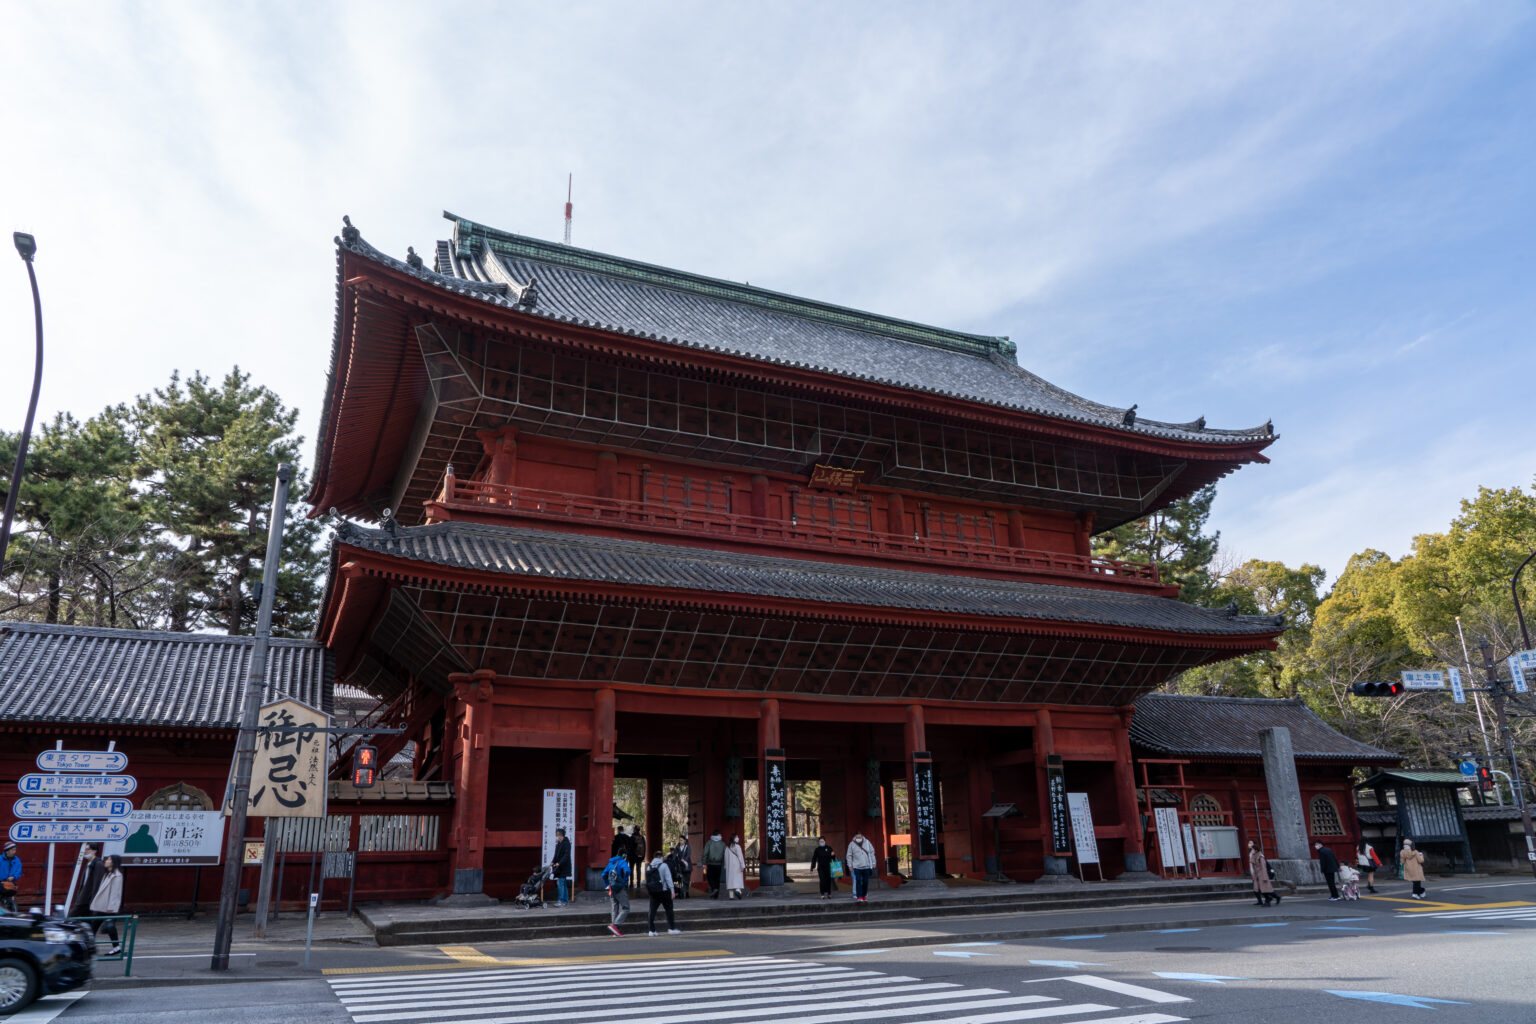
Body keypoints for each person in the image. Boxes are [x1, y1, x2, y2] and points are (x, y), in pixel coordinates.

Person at [89, 855, 124, 955]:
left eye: (109, 859)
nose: (106, 861)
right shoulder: (108, 873)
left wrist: (111, 908)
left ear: (113, 862)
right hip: (103, 906)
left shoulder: (117, 876)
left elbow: (115, 894)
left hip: (108, 908)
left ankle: (90, 948)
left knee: (107, 927)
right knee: (98, 927)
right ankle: (116, 947)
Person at [644, 850, 681, 936]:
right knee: (669, 909)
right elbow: (668, 879)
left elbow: (647, 880)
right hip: (664, 891)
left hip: (653, 892)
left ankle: (651, 930)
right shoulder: (664, 865)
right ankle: (671, 928)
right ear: (661, 857)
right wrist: (672, 891)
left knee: (652, 911)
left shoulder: (649, 866)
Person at [70, 844, 105, 919]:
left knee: (71, 916)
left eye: (87, 849)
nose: (84, 851)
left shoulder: (98, 864)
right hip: (83, 897)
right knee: (86, 920)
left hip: (88, 899)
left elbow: (97, 883)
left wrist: (93, 899)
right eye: (84, 849)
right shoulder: (88, 864)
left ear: (94, 851)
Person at [603, 850, 631, 936]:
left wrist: (607, 884)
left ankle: (615, 931)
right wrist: (624, 881)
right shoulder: (622, 862)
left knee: (614, 908)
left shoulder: (611, 863)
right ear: (624, 855)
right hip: (620, 888)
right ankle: (615, 925)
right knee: (626, 907)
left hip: (612, 888)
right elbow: (627, 871)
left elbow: (603, 875)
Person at [845, 829, 877, 903]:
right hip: (856, 866)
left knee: (865, 882)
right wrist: (850, 865)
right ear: (855, 836)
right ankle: (859, 896)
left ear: (862, 836)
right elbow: (849, 855)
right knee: (858, 881)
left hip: (866, 865)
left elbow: (872, 852)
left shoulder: (867, 842)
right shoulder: (851, 844)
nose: (859, 837)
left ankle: (864, 895)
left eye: (860, 836)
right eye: (857, 836)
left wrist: (873, 862)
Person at [1248, 839, 1278, 907]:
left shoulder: (1260, 857)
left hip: (1262, 875)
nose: (1249, 844)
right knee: (1258, 889)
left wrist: (1264, 877)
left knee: (1264, 890)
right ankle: (1264, 900)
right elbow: (1253, 867)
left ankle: (1270, 900)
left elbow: (1264, 867)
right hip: (1256, 875)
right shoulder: (1253, 856)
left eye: (1250, 843)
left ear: (1255, 850)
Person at [549, 827, 572, 907]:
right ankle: (565, 901)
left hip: (564, 866)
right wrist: (553, 861)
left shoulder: (567, 843)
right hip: (559, 866)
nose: (557, 837)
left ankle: (561, 900)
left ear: (561, 835)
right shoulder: (558, 843)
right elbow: (556, 855)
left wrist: (559, 863)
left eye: (557, 835)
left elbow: (566, 855)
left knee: (560, 883)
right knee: (563, 883)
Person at [702, 829, 726, 898]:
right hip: (719, 864)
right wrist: (725, 863)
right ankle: (716, 895)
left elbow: (705, 853)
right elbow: (725, 854)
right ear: (718, 835)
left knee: (709, 877)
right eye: (720, 835)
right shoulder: (723, 844)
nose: (721, 836)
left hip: (710, 863)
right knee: (717, 879)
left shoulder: (709, 843)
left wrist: (704, 862)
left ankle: (714, 888)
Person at [723, 834, 747, 899]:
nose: (738, 838)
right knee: (737, 879)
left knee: (730, 880)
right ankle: (738, 891)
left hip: (729, 866)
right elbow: (740, 857)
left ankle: (731, 896)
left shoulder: (727, 847)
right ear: (734, 838)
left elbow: (725, 857)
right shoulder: (737, 847)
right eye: (736, 837)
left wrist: (725, 865)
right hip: (737, 865)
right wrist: (742, 865)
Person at [0, 842, 21, 913]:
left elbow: (19, 872)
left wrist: (14, 876)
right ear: (7, 851)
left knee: (11, 894)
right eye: (12, 850)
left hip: (9, 883)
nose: (14, 852)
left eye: (15, 850)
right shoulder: (0, 859)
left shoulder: (17, 860)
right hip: (1, 881)